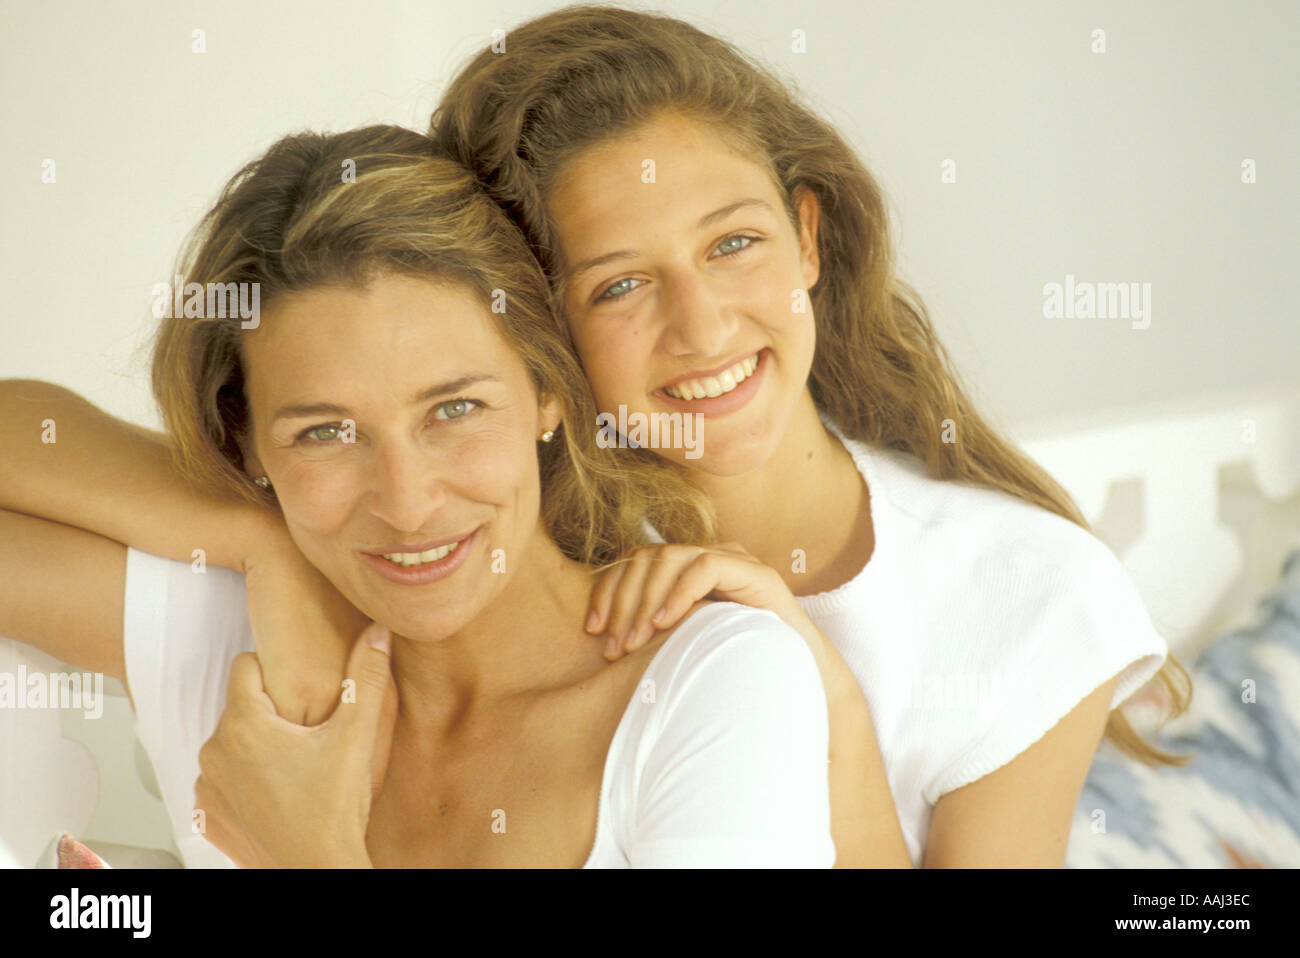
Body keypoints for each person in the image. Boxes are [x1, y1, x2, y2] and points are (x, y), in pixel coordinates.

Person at [422, 4, 1193, 867]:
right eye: (620, 285)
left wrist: (826, 695)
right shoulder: (505, 556)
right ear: (535, 326)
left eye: (735, 242)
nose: (704, 328)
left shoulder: (1027, 593)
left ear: (808, 239)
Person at [0, 126, 838, 867]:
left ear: (549, 391)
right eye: (324, 432)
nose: (405, 504)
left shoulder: (712, 684)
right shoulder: (244, 646)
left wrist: (305, 855)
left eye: (455, 410)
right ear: (244, 441)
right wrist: (265, 548)